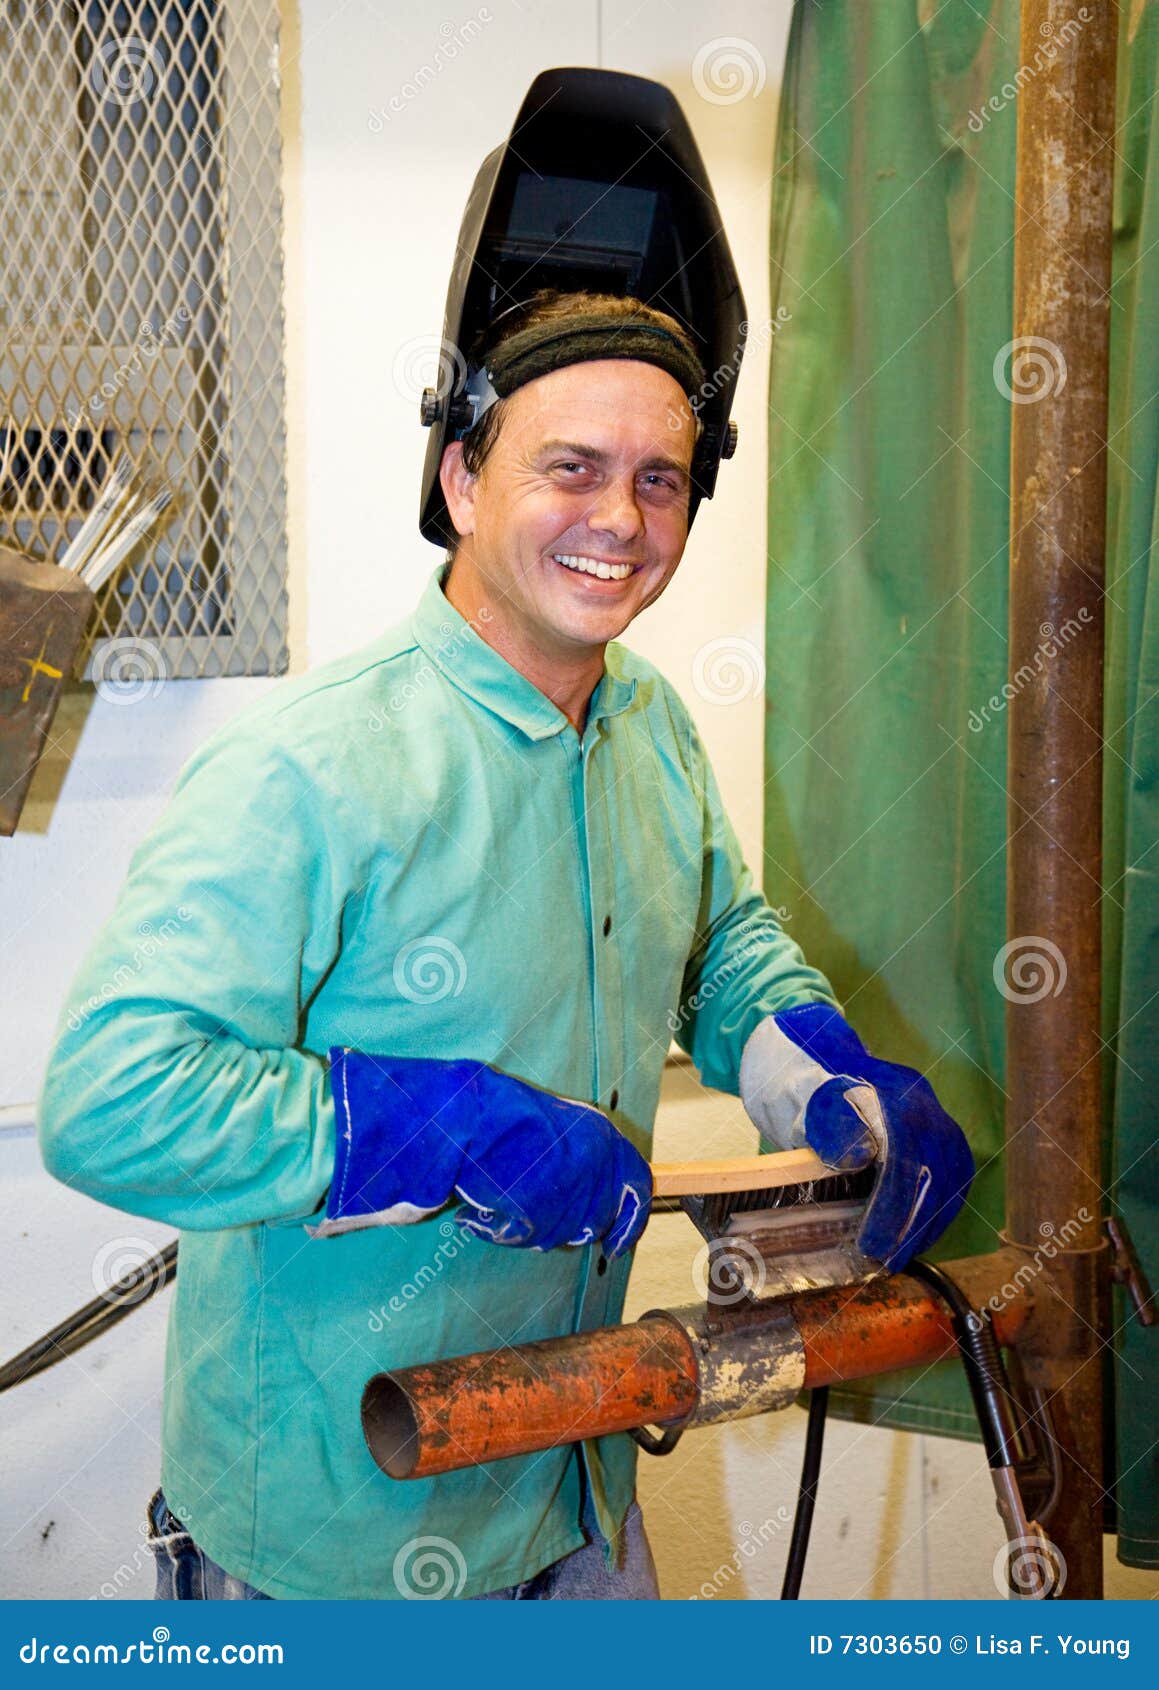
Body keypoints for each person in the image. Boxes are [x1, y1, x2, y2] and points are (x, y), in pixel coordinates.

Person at [37, 289, 973, 1601]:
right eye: (571, 468)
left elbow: (720, 941)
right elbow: (111, 1100)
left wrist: (820, 1078)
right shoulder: (307, 761)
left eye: (661, 480)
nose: (622, 520)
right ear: (463, 476)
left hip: (577, 1469)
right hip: (342, 1526)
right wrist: (438, 1131)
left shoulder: (648, 722)